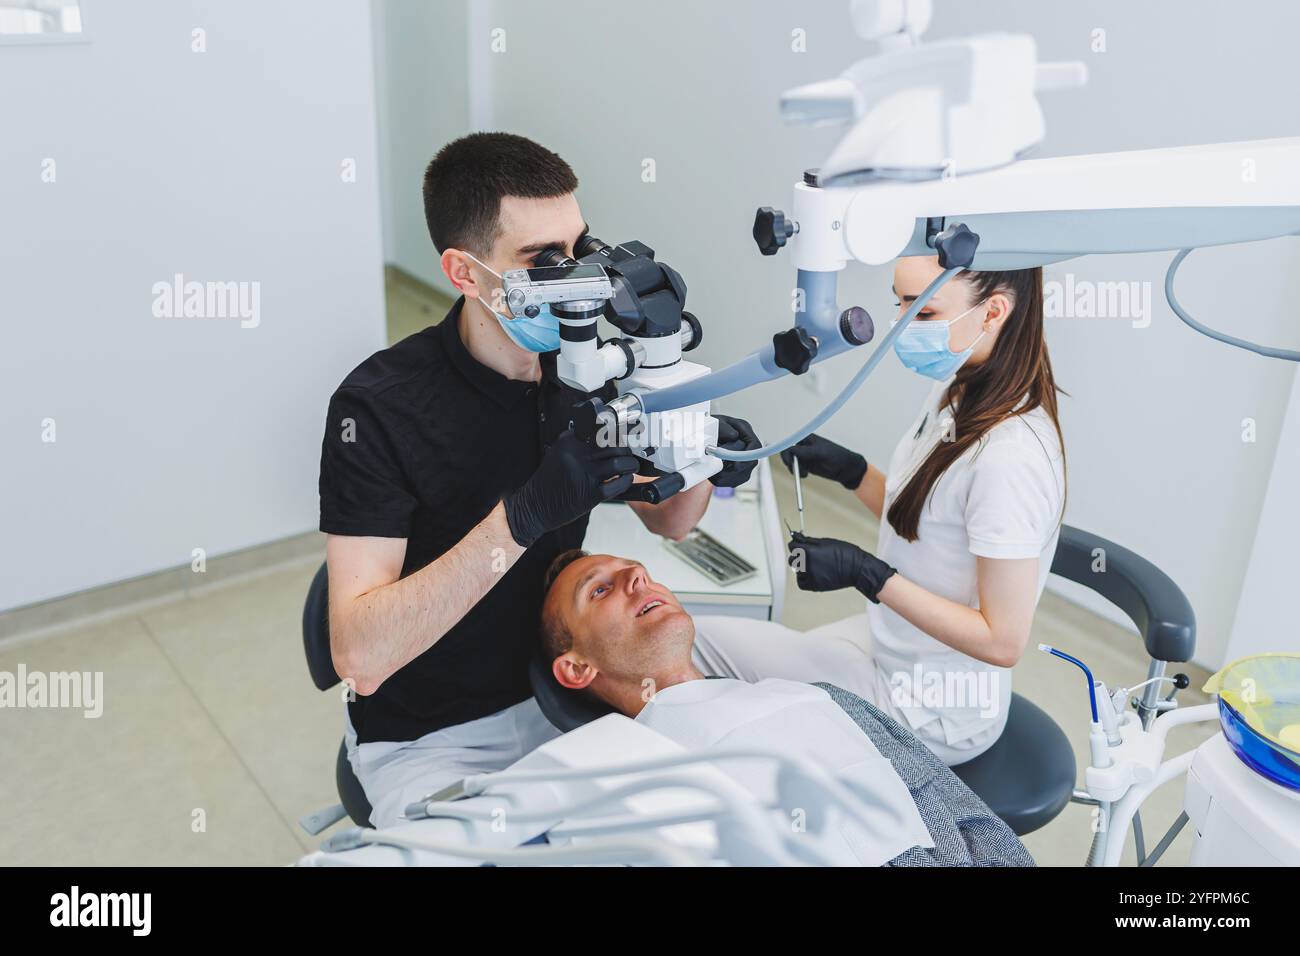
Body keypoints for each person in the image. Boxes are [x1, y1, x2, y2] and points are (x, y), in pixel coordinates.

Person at [317, 132, 762, 826]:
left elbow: (674, 520)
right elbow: (360, 656)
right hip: (432, 737)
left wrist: (693, 447)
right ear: (465, 273)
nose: (578, 280)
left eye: (580, 248)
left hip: (571, 690)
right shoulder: (380, 409)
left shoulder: (587, 368)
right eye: (543, 261)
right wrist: (520, 517)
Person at [698, 258, 1067, 765]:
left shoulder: (1010, 458)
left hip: (932, 711)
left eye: (923, 310)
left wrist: (867, 574)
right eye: (899, 302)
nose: (901, 325)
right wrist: (851, 472)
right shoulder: (960, 385)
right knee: (713, 653)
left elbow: (1002, 641)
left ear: (993, 311)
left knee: (706, 653)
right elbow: (930, 523)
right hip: (887, 643)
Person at [537, 549, 1033, 867]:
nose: (637, 577)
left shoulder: (821, 697)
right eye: (599, 590)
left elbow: (964, 815)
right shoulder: (630, 777)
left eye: (636, 570)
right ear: (577, 669)